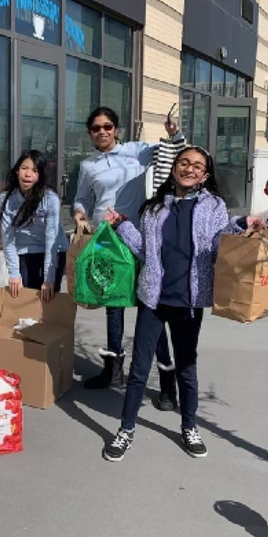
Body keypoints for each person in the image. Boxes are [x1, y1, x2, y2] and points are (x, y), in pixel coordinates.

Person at [101, 146, 264, 461]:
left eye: (198, 166)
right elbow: (145, 250)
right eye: (184, 163)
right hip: (153, 298)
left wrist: (241, 223)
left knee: (187, 368)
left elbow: (217, 245)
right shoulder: (154, 208)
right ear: (174, 168)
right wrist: (122, 225)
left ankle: (189, 427)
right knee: (139, 369)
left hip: (189, 301)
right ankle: (126, 429)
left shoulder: (213, 206)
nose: (190, 169)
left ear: (205, 175)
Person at [72, 106, 180, 397]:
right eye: (96, 128)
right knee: (113, 305)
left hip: (137, 237)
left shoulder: (137, 152)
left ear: (116, 129)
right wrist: (80, 214)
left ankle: (167, 382)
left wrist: (174, 133)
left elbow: (172, 153)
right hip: (105, 241)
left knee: (150, 306)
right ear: (90, 133)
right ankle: (113, 371)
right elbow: (81, 198)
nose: (102, 132)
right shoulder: (88, 165)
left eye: (107, 126)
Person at [0, 150, 70, 302]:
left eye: (35, 170)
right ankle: (33, 326)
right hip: (25, 251)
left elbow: (52, 238)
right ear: (17, 170)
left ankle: (49, 325)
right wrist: (14, 273)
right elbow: (8, 238)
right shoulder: (7, 199)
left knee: (49, 298)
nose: (28, 174)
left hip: (53, 251)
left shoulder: (50, 199)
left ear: (40, 176)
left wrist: (49, 279)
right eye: (24, 168)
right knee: (29, 298)